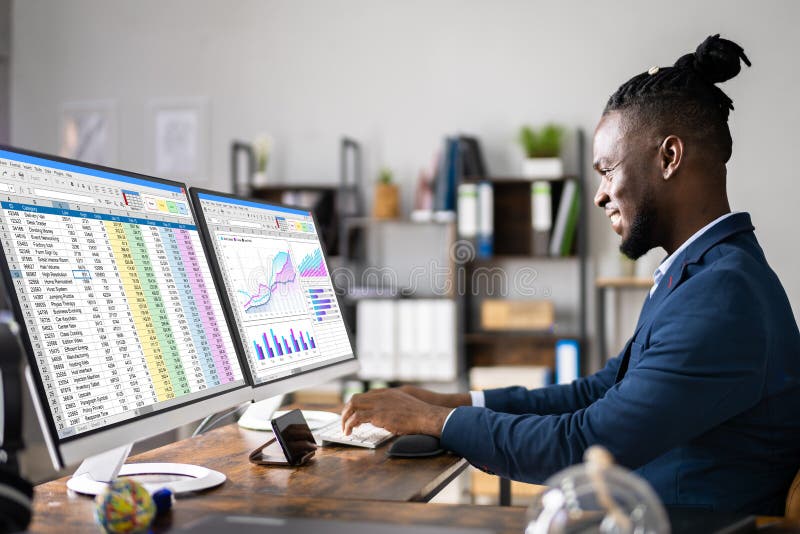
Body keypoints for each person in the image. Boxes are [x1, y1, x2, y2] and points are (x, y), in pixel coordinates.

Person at [342, 35, 800, 515]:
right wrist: (453, 401)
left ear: (669, 157)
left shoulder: (722, 295)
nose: (601, 195)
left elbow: (585, 444)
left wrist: (438, 420)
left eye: (607, 170)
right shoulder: (702, 273)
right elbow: (599, 392)